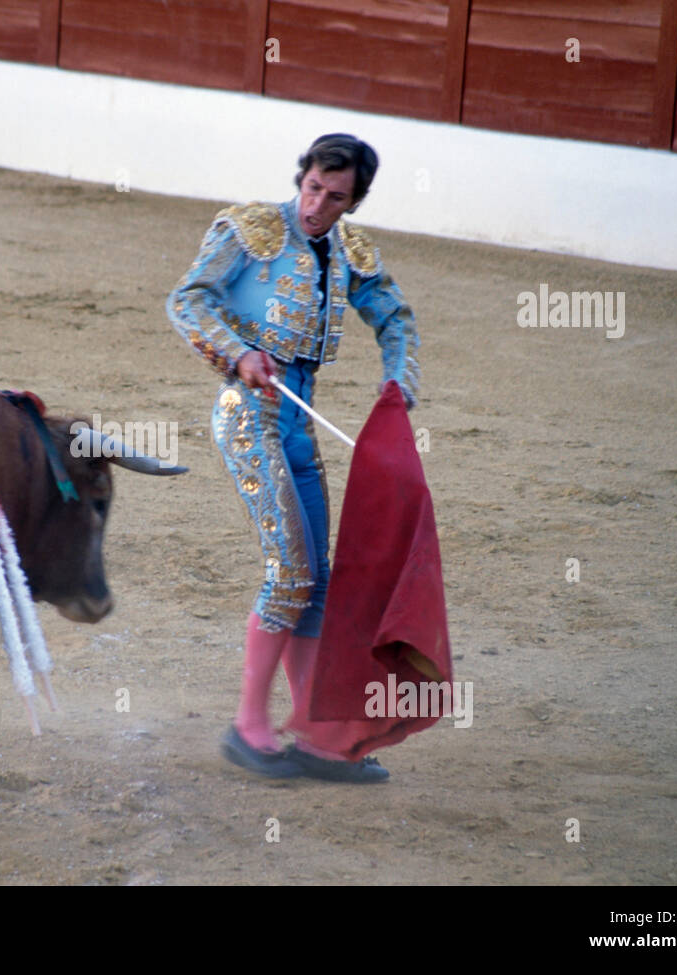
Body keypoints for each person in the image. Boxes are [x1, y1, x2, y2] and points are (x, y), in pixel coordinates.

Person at [167, 133, 419, 782]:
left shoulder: (351, 251)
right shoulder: (251, 229)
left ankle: (312, 726)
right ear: (300, 177)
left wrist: (399, 381)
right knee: (290, 573)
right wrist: (238, 353)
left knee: (317, 581)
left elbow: (396, 317)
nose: (316, 205)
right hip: (250, 416)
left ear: (352, 201)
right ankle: (249, 725)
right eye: (312, 187)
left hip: (300, 425)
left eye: (335, 197)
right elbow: (188, 298)